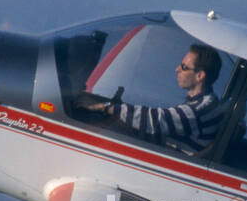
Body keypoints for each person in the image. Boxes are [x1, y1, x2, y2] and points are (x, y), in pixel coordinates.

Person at [75, 43, 225, 154]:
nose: (177, 69)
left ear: (200, 75)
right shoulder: (204, 102)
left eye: (184, 67)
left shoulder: (201, 108)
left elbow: (157, 120)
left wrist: (105, 107)